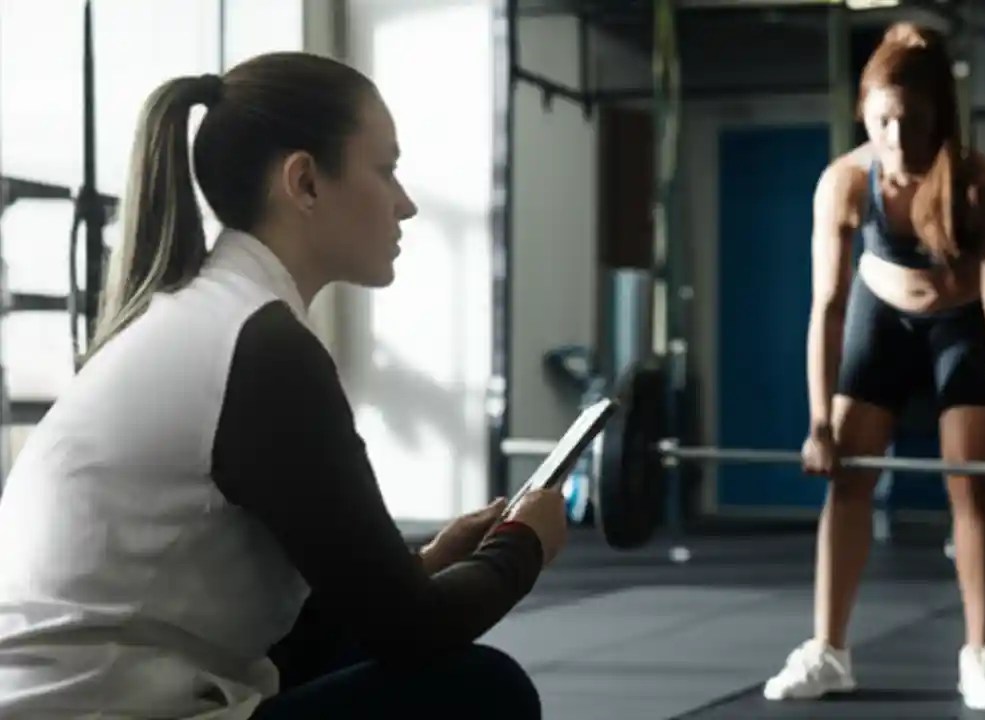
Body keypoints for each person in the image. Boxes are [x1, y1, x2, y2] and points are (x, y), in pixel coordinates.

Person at [0, 51, 567, 719]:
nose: (406, 203)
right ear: (304, 183)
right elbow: (413, 633)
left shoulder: (208, 317)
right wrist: (524, 547)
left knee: (335, 651)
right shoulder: (259, 347)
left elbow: (338, 619)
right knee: (479, 690)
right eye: (385, 170)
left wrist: (432, 562)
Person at [762, 23, 985, 711]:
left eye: (911, 123)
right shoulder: (846, 183)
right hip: (879, 321)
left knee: (971, 487)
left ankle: (981, 655)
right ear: (864, 112)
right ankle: (829, 651)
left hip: (961, 327)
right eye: (882, 120)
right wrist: (819, 422)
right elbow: (827, 307)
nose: (897, 139)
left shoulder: (982, 186)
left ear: (941, 113)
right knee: (847, 480)